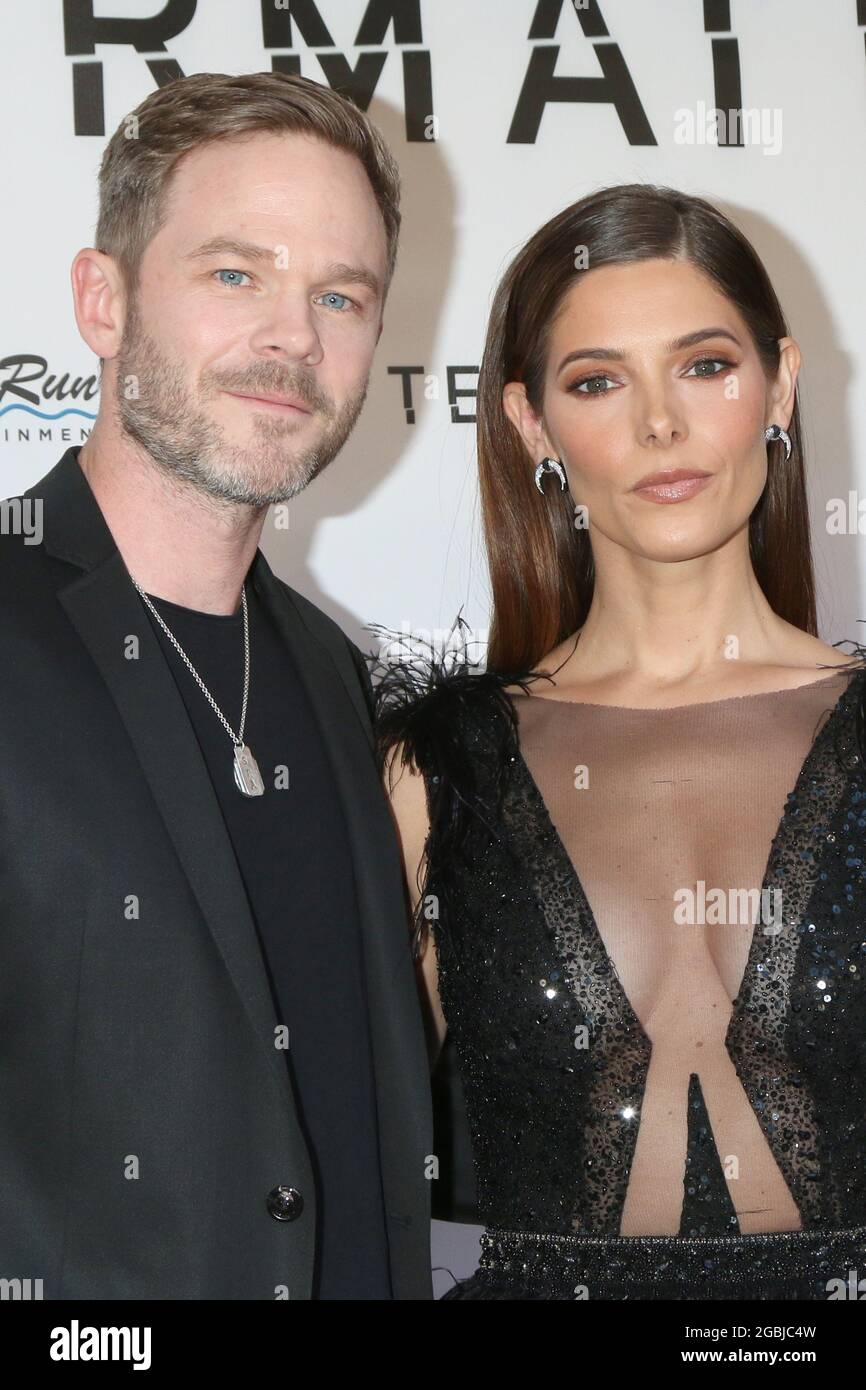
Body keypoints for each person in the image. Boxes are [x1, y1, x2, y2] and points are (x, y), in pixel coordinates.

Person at [374, 183, 866, 1300]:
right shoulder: (429, 775)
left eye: (703, 365)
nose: (659, 425)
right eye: (598, 381)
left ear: (779, 383)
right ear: (530, 425)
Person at [0, 71, 433, 1300]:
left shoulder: (330, 671)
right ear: (103, 299)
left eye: (339, 295)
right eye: (235, 274)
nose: (294, 337)